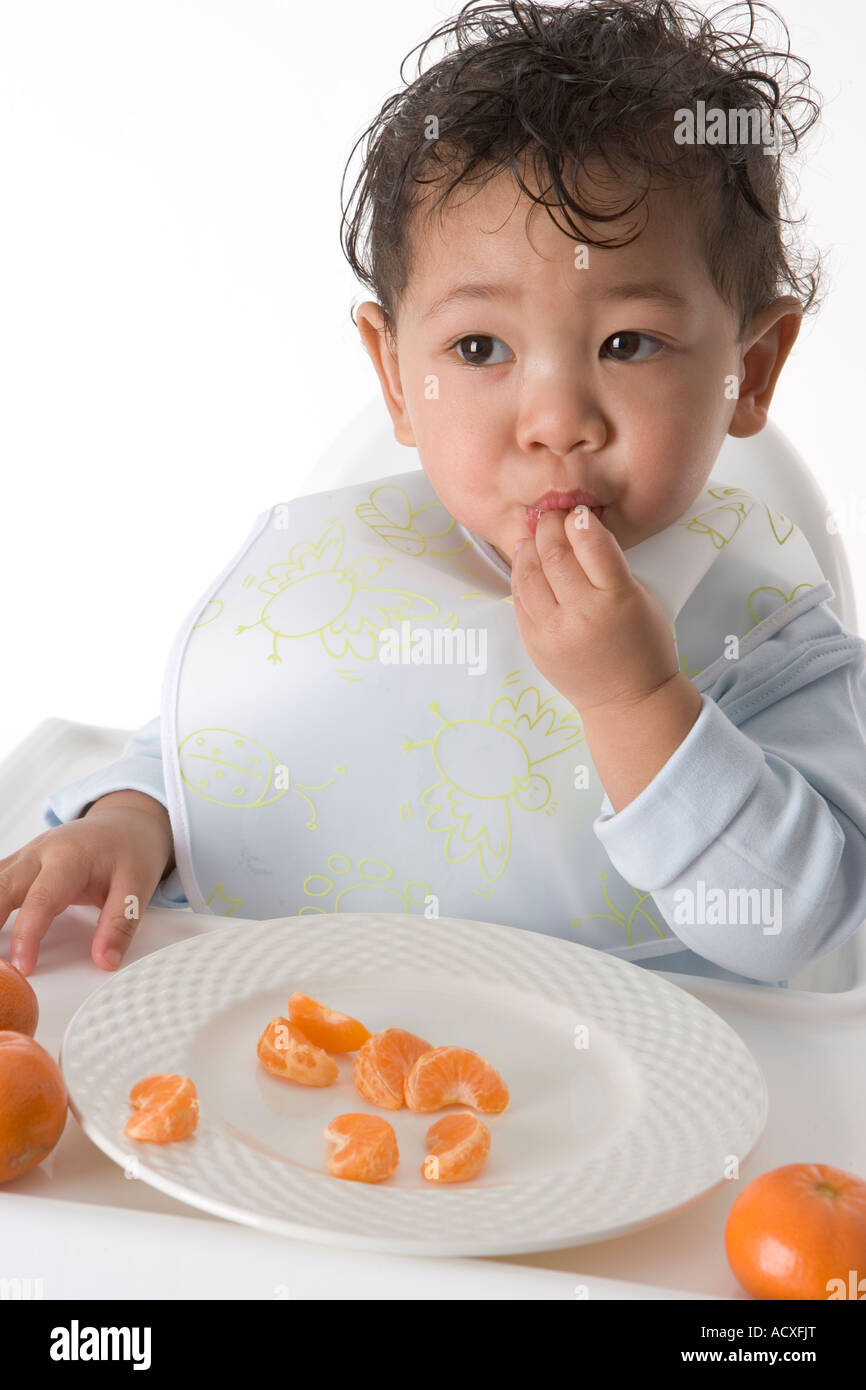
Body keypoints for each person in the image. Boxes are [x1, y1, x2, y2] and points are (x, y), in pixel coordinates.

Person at [4, 0, 866, 990]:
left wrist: (632, 700)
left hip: (647, 1113)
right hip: (341, 1065)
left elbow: (801, 923)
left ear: (748, 369)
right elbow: (229, 739)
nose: (554, 419)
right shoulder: (355, 586)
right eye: (478, 349)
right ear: (392, 373)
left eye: (626, 343)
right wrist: (131, 817)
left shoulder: (775, 647)